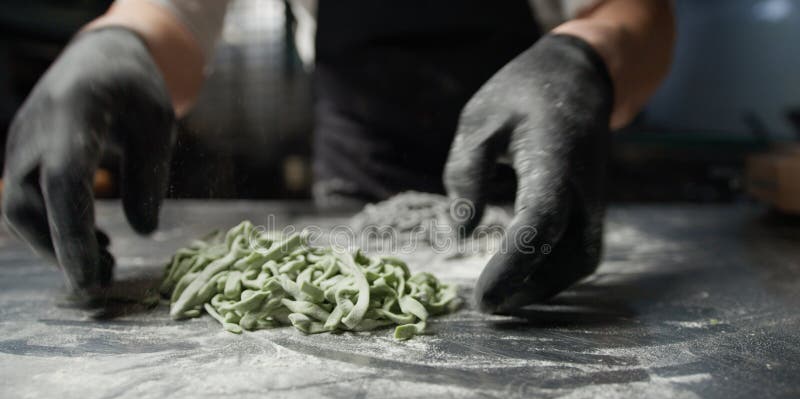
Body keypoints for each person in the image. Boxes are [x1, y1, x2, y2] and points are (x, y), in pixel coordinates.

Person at [1, 0, 674, 313]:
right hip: (353, 206)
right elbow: (172, 15)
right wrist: (117, 41)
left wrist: (586, 57)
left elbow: (638, 14)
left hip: (530, 178)